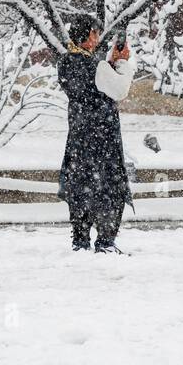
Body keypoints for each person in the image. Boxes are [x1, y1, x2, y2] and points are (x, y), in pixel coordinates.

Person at [57, 13, 136, 254]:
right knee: (108, 188)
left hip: (80, 137)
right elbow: (119, 89)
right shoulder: (96, 66)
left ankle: (80, 240)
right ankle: (105, 241)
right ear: (88, 34)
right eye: (95, 32)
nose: (98, 37)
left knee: (81, 185)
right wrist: (121, 63)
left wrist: (107, 65)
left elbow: (92, 85)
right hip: (103, 139)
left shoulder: (65, 62)